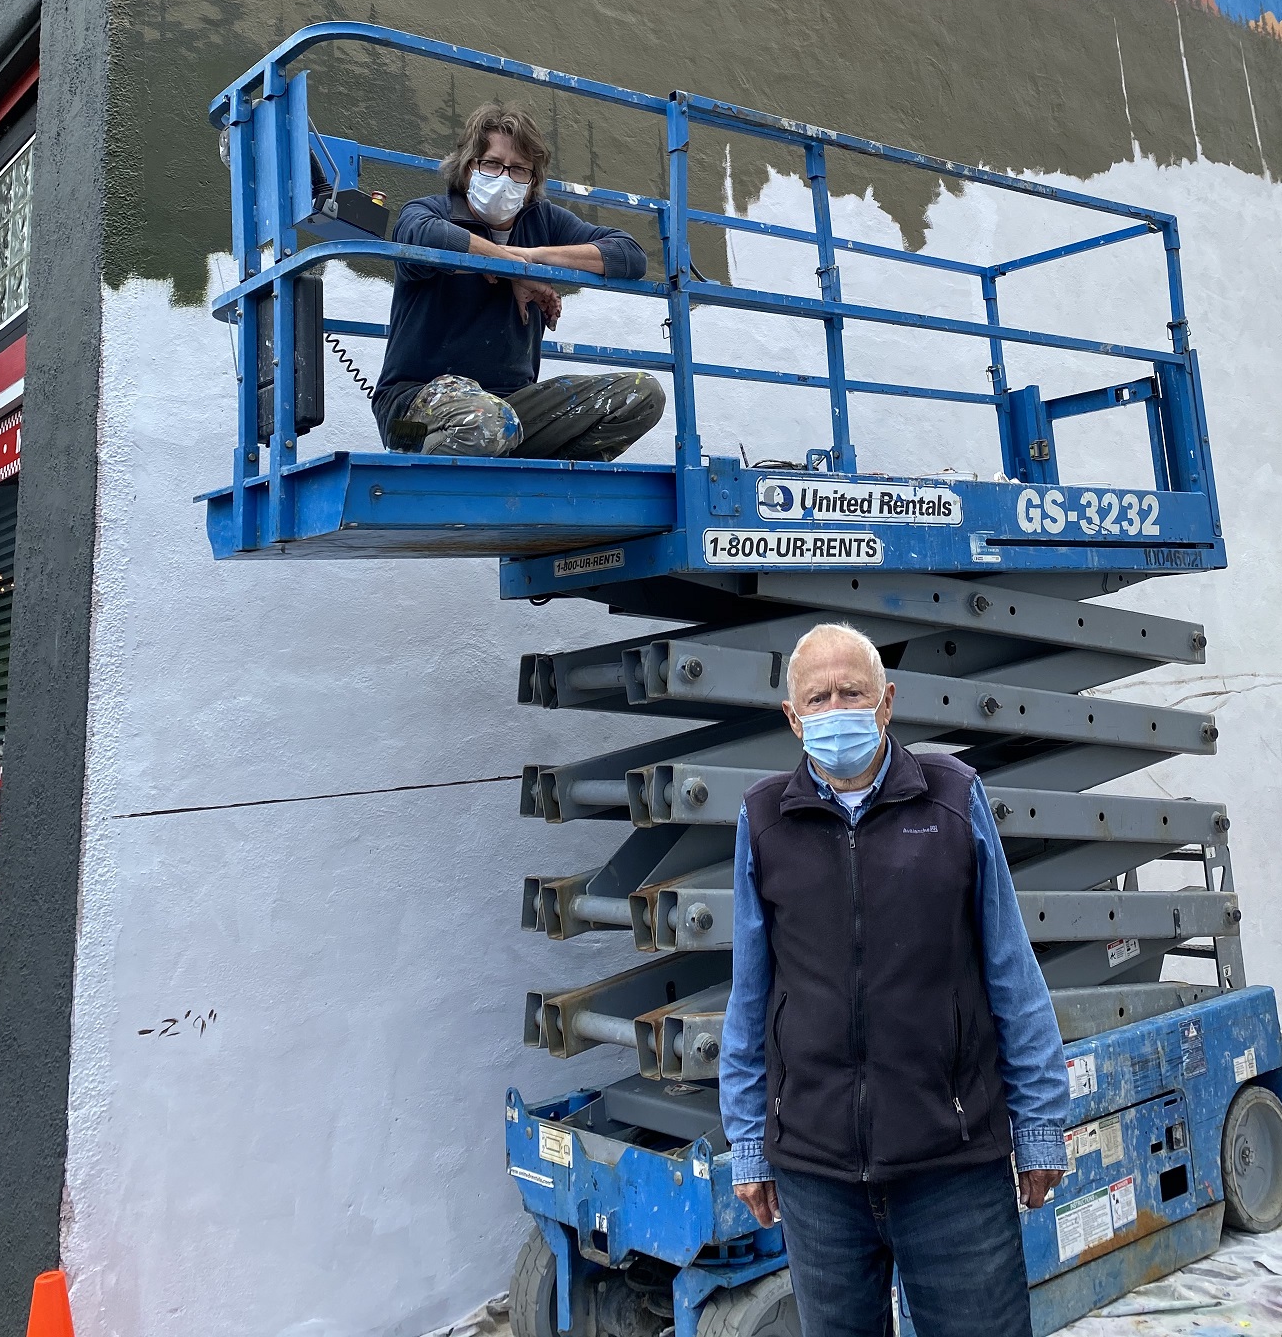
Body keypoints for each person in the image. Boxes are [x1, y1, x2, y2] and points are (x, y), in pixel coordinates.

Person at [719, 622, 1070, 1337]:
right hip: (817, 1180)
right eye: (817, 698)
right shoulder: (763, 821)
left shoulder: (952, 799)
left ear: (886, 703)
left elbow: (1011, 970)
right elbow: (750, 995)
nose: (836, 708)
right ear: (792, 718)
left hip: (952, 1168)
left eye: (854, 692)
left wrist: (1038, 1127)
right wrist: (750, 1143)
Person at [371, 103, 666, 461]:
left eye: (519, 170)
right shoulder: (431, 211)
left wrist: (531, 260)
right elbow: (420, 237)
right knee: (487, 423)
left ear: (532, 182)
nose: (504, 177)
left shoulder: (542, 221)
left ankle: (542, 487)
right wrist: (508, 267)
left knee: (642, 394)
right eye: (491, 164)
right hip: (407, 417)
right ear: (467, 169)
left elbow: (629, 255)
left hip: (511, 410)